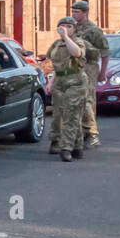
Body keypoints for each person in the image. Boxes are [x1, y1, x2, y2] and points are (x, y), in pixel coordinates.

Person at [44, 17, 88, 162]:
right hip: (60, 82)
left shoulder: (77, 42)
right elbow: (57, 66)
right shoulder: (56, 44)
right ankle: (77, 146)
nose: (65, 28)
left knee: (71, 115)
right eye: (62, 26)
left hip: (75, 82)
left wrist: (66, 37)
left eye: (69, 26)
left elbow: (77, 53)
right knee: (59, 115)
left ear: (74, 29)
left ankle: (66, 148)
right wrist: (51, 82)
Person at [70, 0, 109, 150]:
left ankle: (92, 134)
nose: (74, 14)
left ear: (85, 13)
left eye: (77, 12)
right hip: (76, 67)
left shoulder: (94, 30)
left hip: (90, 67)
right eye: (73, 11)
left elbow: (105, 52)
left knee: (88, 99)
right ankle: (81, 131)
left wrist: (103, 72)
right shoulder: (73, 28)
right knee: (76, 99)